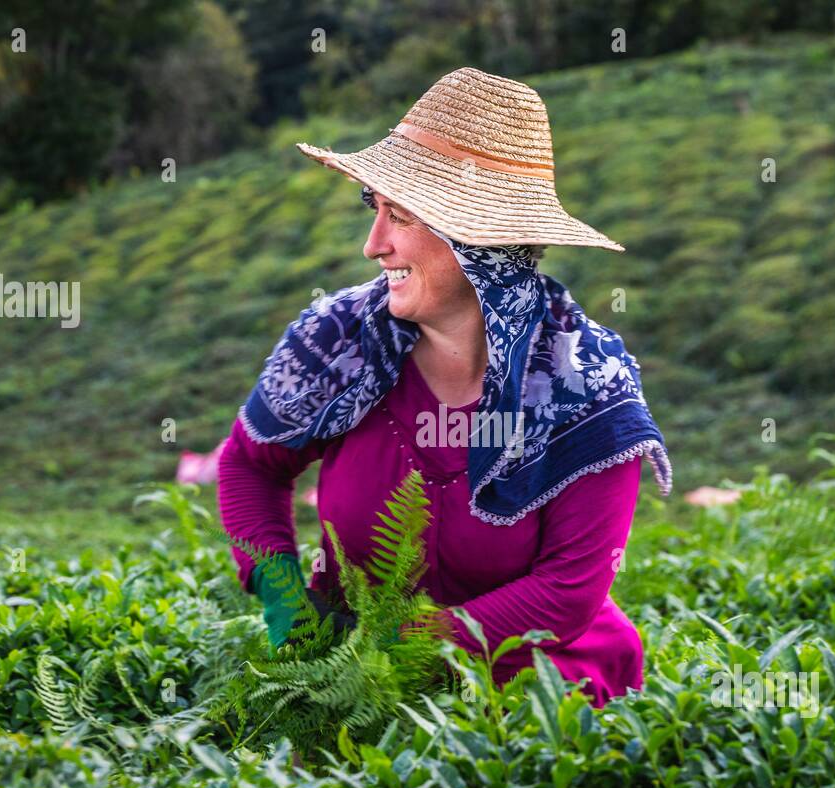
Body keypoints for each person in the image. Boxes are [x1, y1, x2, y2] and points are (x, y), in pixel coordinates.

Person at [217, 67, 672, 708]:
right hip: (355, 694)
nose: (373, 244)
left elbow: (569, 589)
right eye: (373, 210)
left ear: (479, 240)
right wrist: (291, 610)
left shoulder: (584, 382)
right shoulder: (338, 342)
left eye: (399, 216)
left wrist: (405, 649)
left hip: (540, 705)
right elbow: (250, 465)